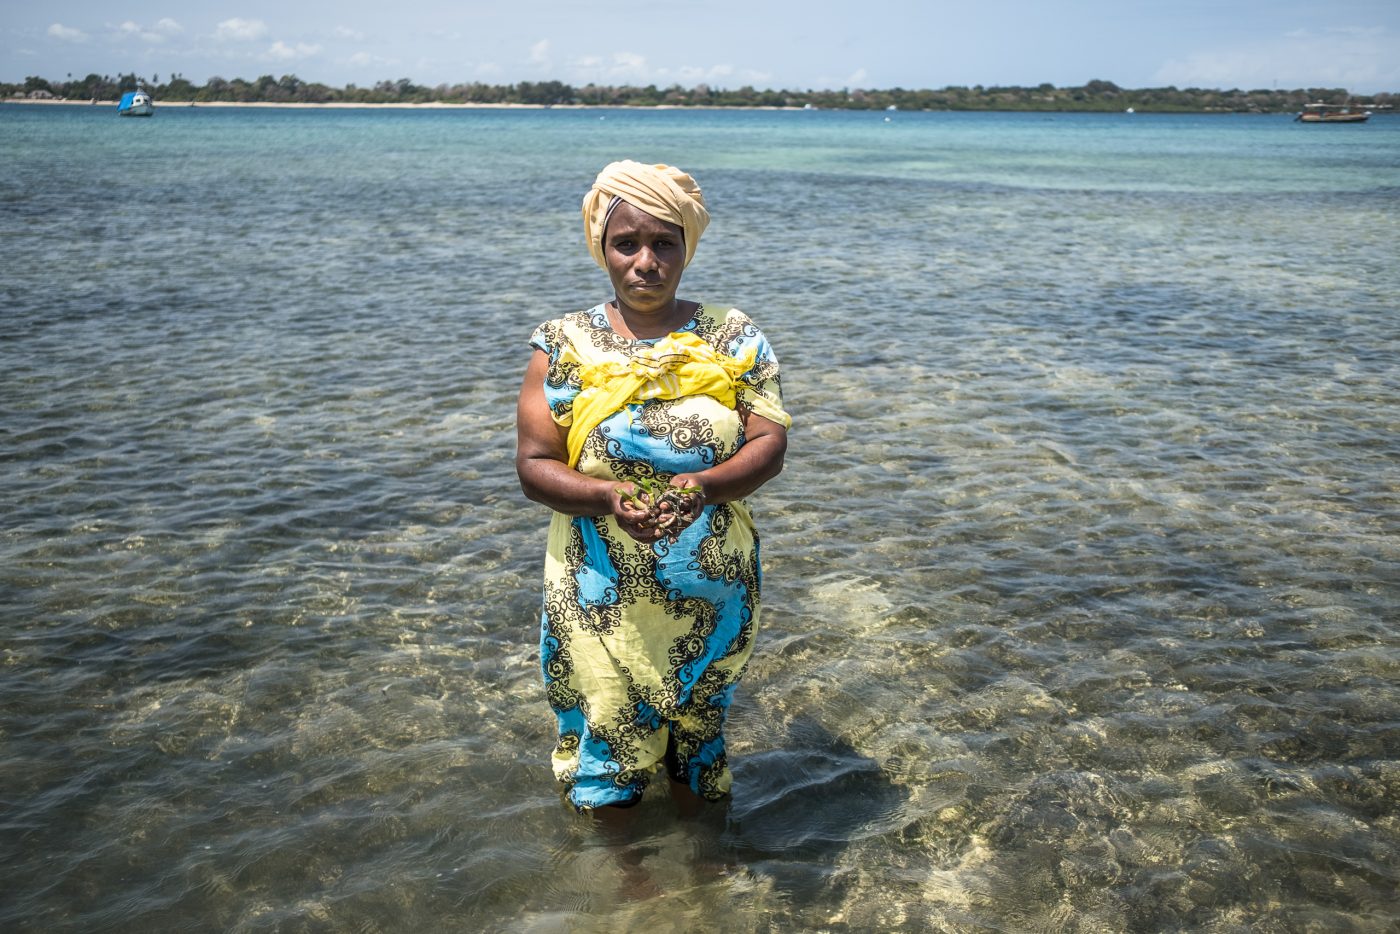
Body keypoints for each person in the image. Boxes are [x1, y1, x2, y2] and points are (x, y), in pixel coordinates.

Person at [516, 160, 791, 818]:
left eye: (664, 243)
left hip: (713, 593)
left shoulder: (735, 337)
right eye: (627, 244)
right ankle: (624, 875)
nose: (646, 262)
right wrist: (605, 497)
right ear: (602, 249)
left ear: (686, 248)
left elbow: (769, 444)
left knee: (699, 749)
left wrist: (703, 486)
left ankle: (704, 867)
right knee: (608, 749)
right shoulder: (564, 344)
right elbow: (534, 463)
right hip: (599, 592)